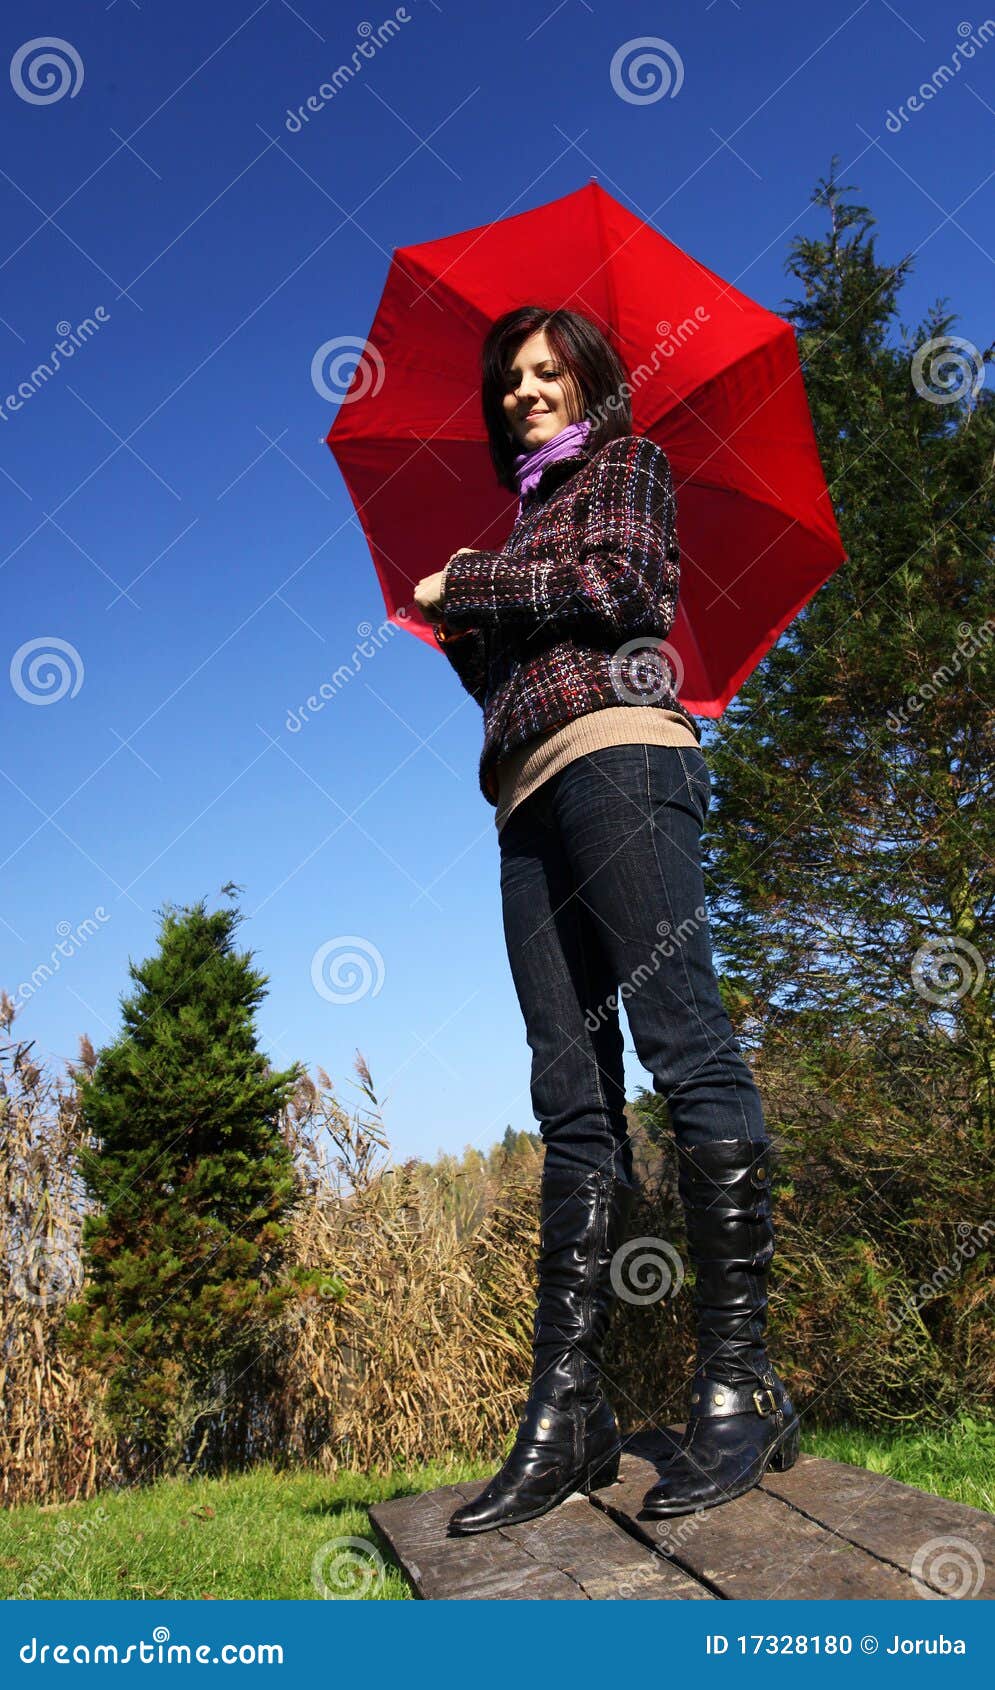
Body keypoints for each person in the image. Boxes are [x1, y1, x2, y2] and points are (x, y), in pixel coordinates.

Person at [413, 305, 799, 1536]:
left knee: (686, 1051)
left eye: (545, 373)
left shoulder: (625, 468)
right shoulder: (526, 516)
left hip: (624, 767)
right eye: (510, 381)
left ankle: (736, 1388)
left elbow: (620, 587)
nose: (524, 391)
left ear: (586, 384)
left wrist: (466, 580)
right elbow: (517, 666)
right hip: (523, 801)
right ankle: (565, 1413)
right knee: (569, 1097)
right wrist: (464, 636)